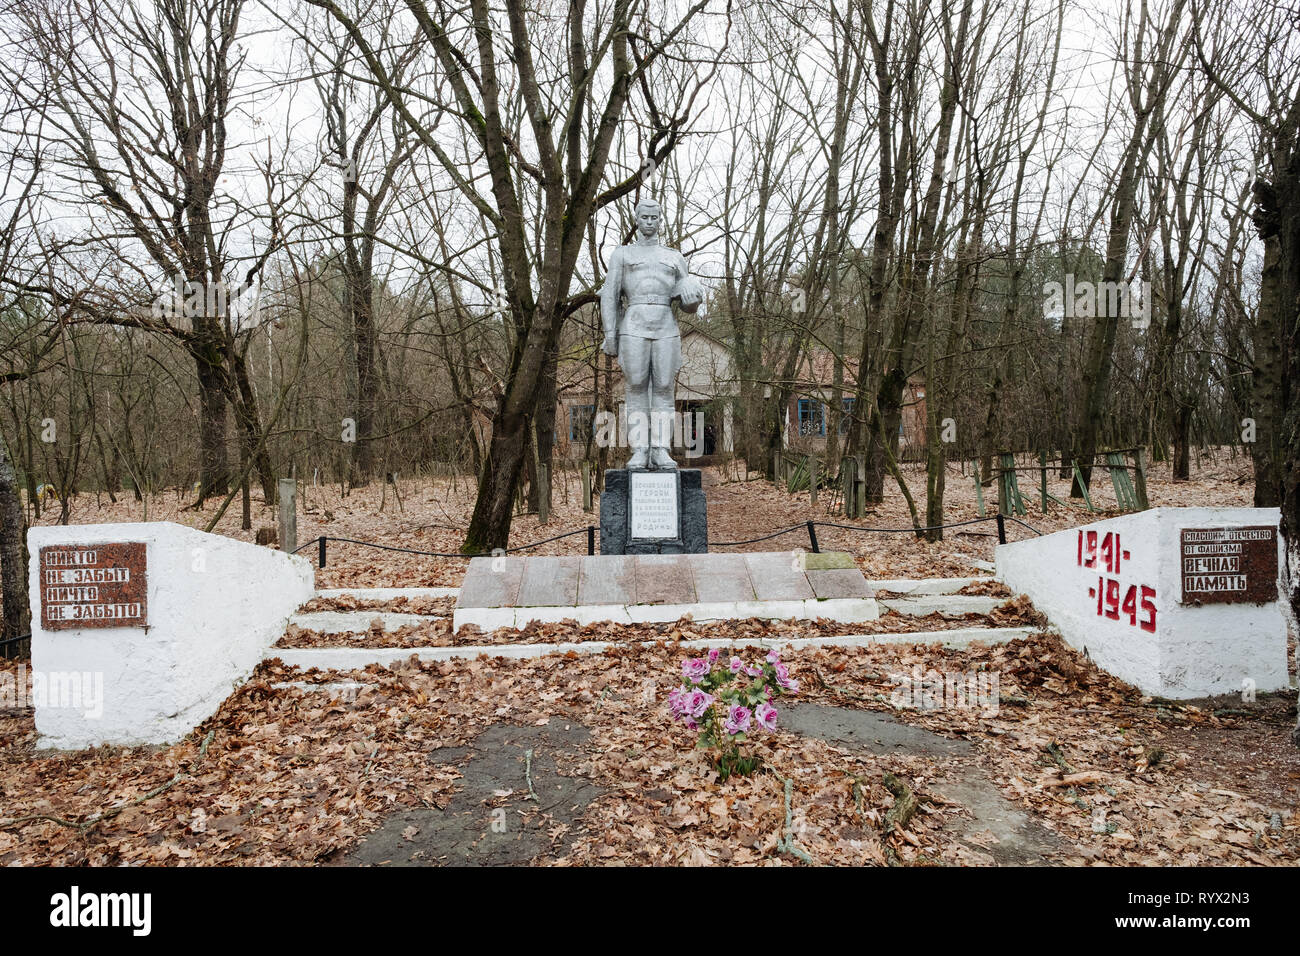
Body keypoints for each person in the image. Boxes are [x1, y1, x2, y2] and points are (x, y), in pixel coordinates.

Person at [599, 198, 703, 469]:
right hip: (633, 324)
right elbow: (609, 296)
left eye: (654, 217)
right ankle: (639, 449)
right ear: (636, 219)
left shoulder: (674, 257)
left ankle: (660, 449)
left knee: (664, 388)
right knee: (635, 387)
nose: (649, 222)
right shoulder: (622, 255)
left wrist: (694, 297)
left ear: (660, 220)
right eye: (644, 217)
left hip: (665, 325)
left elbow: (688, 303)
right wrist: (611, 335)